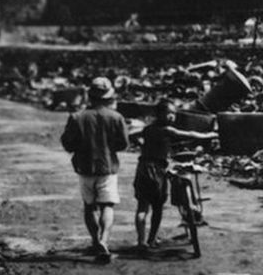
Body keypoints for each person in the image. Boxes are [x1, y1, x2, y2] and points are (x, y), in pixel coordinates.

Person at [60, 77, 130, 264]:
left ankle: (94, 240)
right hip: (107, 167)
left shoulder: (77, 117)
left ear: (90, 96)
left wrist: (80, 147)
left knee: (89, 205)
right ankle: (104, 240)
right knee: (107, 205)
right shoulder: (116, 117)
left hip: (84, 167)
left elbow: (67, 143)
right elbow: (123, 144)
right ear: (108, 97)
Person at [133, 100, 218, 250]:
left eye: (173, 114)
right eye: (169, 113)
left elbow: (133, 135)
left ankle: (141, 241)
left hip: (143, 168)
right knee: (158, 207)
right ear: (160, 114)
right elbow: (190, 134)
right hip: (157, 170)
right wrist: (210, 135)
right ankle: (151, 240)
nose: (172, 117)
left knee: (142, 207)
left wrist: (143, 144)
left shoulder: (148, 129)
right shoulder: (167, 130)